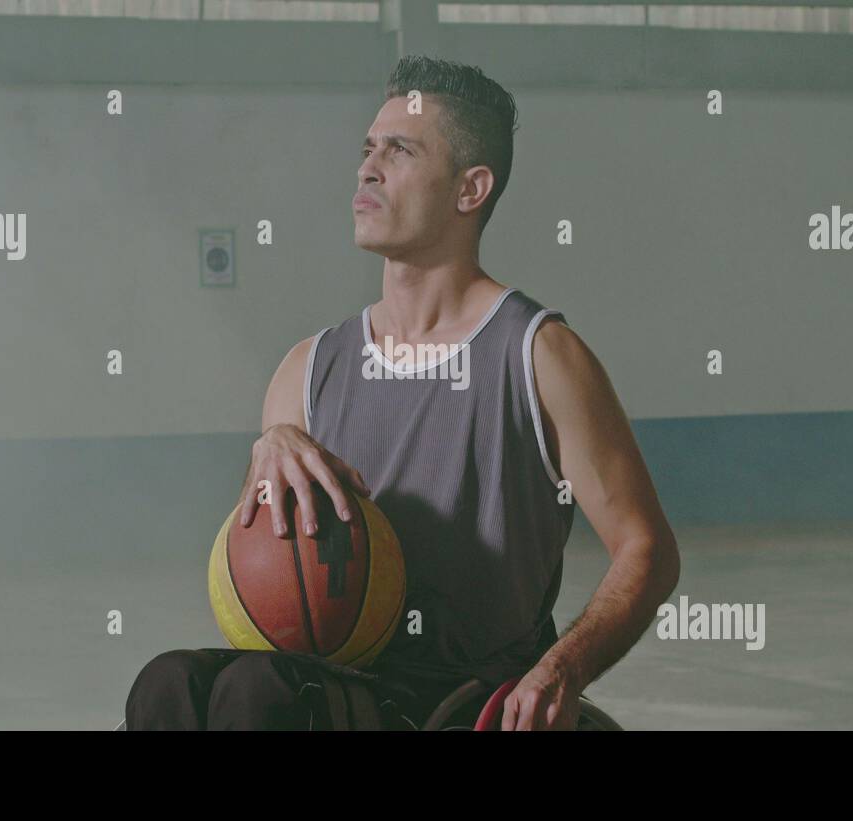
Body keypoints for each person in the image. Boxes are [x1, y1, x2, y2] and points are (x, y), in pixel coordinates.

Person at [126, 55, 680, 731]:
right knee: (167, 684)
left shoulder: (538, 355)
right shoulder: (307, 369)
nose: (367, 167)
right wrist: (269, 447)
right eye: (366, 149)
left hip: (465, 695)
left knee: (256, 697)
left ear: (469, 189)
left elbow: (647, 549)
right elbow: (270, 558)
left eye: (399, 150)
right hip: (342, 673)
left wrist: (560, 669)